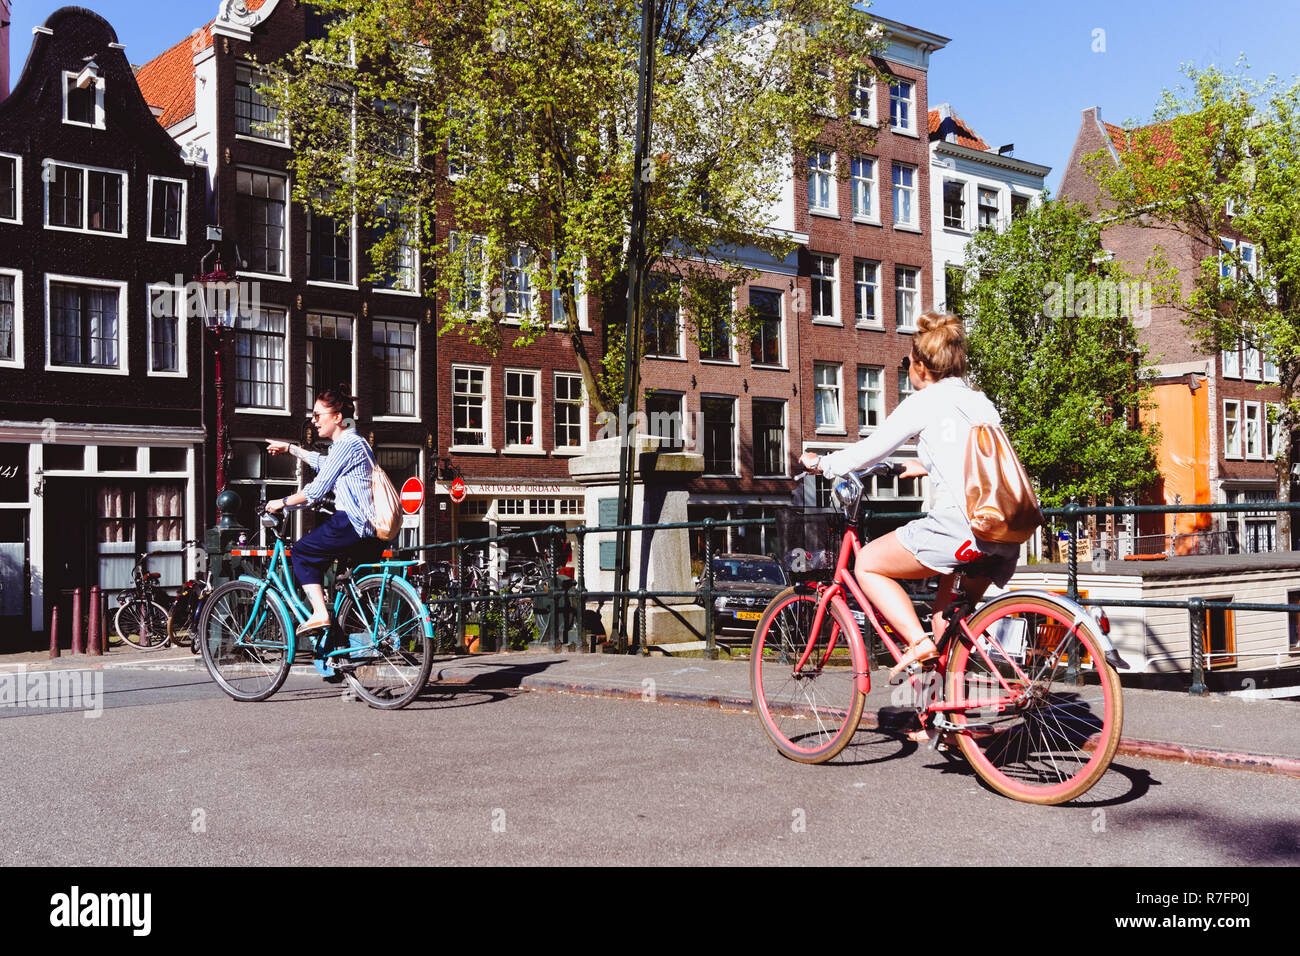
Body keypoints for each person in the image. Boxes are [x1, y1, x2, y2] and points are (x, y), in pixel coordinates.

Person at [799, 311, 1021, 685]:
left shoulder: (923, 402)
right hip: (1004, 531)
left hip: (961, 528)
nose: (908, 370)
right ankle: (952, 724)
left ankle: (915, 643)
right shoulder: (980, 401)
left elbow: (865, 453)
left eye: (907, 363)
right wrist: (923, 467)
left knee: (866, 563)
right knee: (946, 622)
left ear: (920, 365)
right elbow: (975, 457)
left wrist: (820, 463)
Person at [265, 385, 380, 643]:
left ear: (337, 417)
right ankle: (338, 651)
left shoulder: (346, 444)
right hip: (368, 529)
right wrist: (291, 449)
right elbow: (322, 462)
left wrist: (281, 502)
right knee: (339, 582)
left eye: (318, 416)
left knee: (303, 552)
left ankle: (319, 613)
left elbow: (315, 491)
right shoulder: (354, 442)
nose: (314, 422)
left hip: (352, 522)